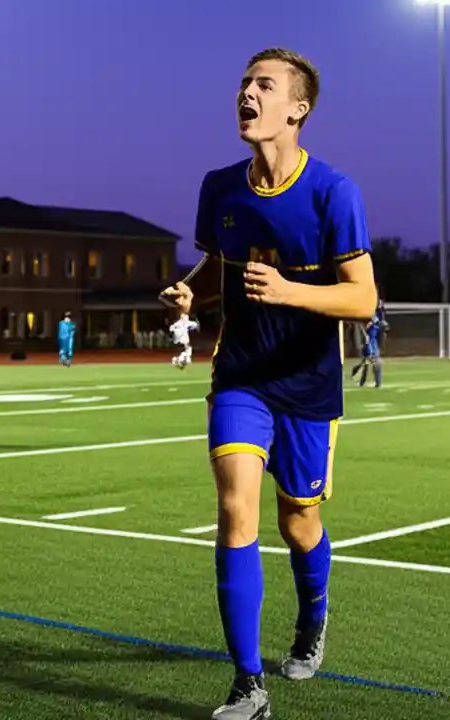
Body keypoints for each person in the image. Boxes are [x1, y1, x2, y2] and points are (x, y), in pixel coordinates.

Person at [161, 47, 378, 720]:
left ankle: (313, 617)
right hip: (241, 376)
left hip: (307, 385)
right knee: (236, 510)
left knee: (300, 522)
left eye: (264, 85)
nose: (246, 94)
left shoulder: (334, 192)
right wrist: (188, 295)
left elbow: (363, 299)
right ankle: (249, 685)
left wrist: (290, 290)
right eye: (243, 84)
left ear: (297, 109)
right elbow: (213, 261)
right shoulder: (218, 187)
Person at [350, 297, 387, 388]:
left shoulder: (374, 320)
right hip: (369, 339)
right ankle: (367, 382)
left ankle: (375, 383)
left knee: (370, 360)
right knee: (369, 360)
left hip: (371, 339)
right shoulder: (371, 320)